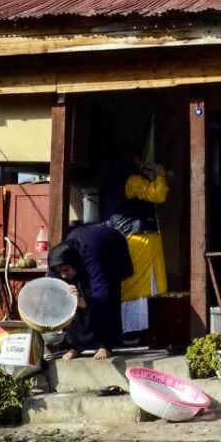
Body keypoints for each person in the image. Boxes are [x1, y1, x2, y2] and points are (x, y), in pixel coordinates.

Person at [101, 150, 172, 336]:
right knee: (141, 287)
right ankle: (136, 330)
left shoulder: (112, 181)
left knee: (134, 286)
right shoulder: (132, 180)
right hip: (140, 237)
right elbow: (157, 194)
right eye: (138, 159)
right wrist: (160, 175)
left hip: (127, 235)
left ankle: (132, 329)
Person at [47, 223, 134, 361]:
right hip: (83, 249)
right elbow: (51, 288)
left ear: (73, 264)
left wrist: (85, 302)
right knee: (72, 295)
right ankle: (75, 345)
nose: (63, 275)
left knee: (106, 297)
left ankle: (105, 344)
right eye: (59, 271)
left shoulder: (93, 258)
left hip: (110, 248)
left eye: (66, 270)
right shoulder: (58, 260)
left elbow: (103, 295)